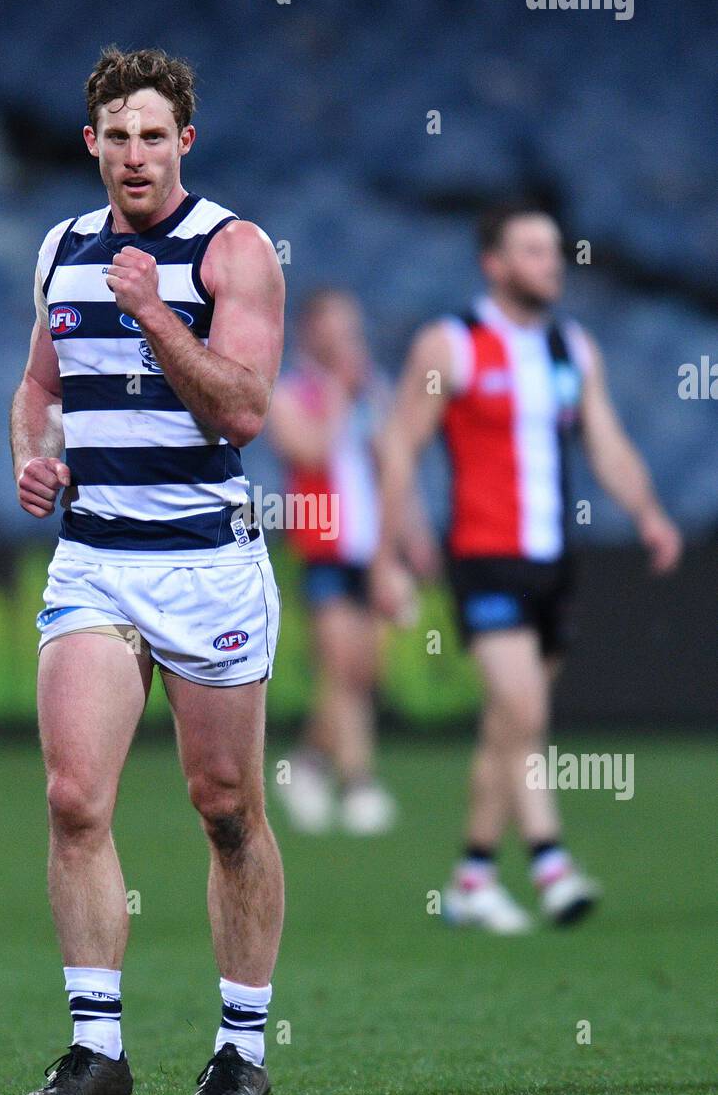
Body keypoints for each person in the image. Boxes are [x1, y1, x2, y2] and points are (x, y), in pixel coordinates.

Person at [9, 46, 285, 1095]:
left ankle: (240, 1048)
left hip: (205, 566)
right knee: (74, 798)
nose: (134, 155)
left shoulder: (234, 249)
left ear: (185, 144)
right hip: (95, 563)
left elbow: (243, 411)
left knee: (224, 809)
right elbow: (36, 384)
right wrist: (31, 452)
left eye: (153, 137)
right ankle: (96, 1048)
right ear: (91, 145)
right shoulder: (60, 249)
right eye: (115, 137)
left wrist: (155, 312)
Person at [372, 203, 682, 932]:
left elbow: (605, 441)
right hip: (484, 559)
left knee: (511, 731)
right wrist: (391, 553)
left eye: (554, 250)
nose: (553, 263)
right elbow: (398, 445)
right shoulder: (451, 343)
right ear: (495, 264)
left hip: (554, 564)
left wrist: (648, 513)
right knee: (525, 712)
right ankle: (551, 861)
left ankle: (473, 875)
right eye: (534, 251)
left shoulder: (572, 349)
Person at [268, 289, 431, 834]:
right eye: (337, 330)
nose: (348, 341)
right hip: (324, 546)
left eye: (352, 329)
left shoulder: (373, 390)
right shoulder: (293, 392)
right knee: (340, 666)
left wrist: (415, 532)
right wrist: (339, 392)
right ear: (314, 334)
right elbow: (308, 451)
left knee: (364, 672)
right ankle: (360, 784)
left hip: (374, 551)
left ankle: (307, 765)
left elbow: (395, 465)